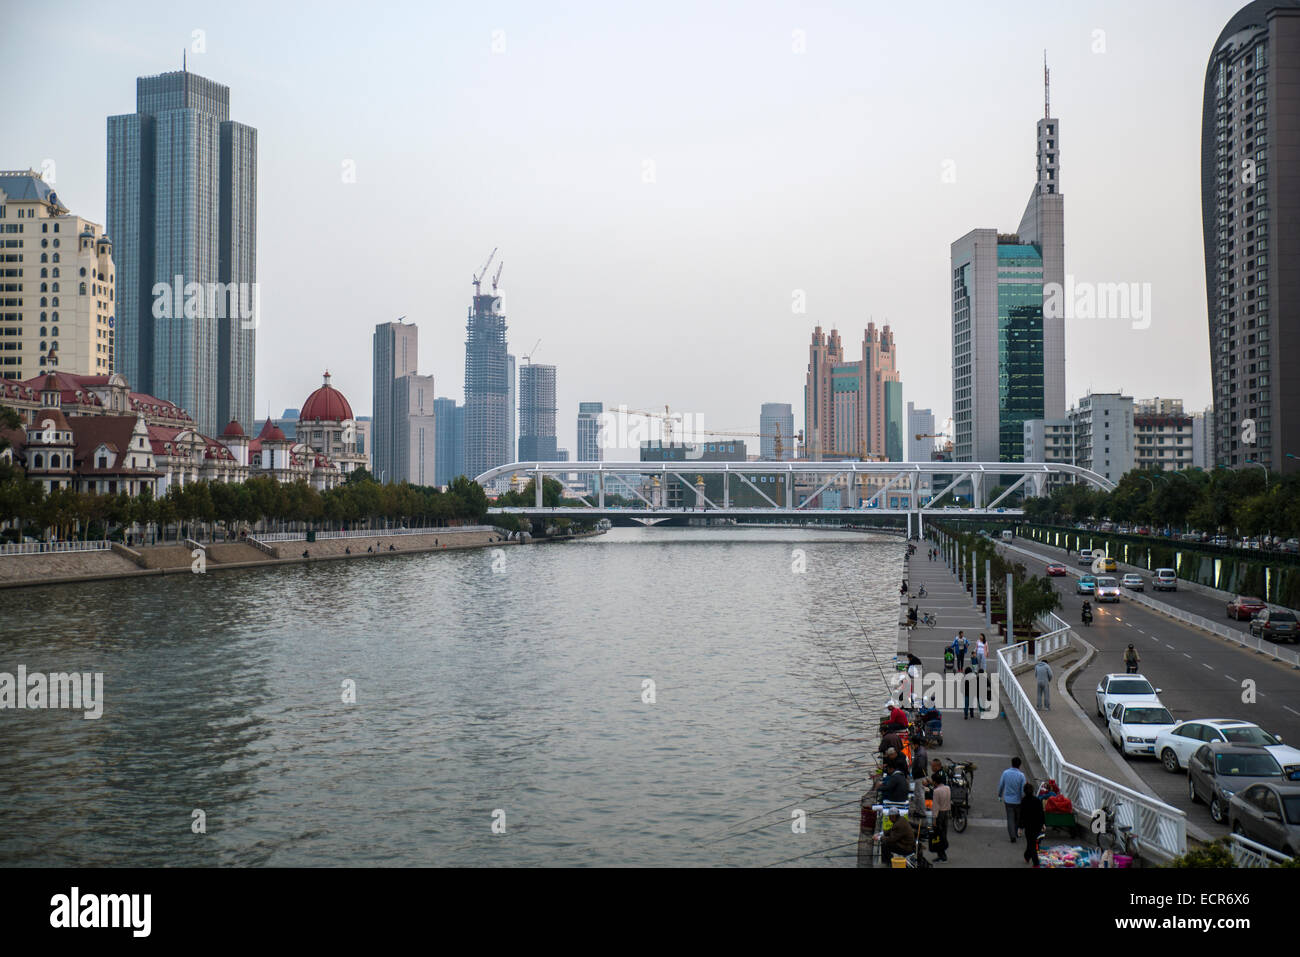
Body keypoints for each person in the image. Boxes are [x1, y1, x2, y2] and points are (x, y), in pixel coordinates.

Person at [997, 757, 1027, 843]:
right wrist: (1022, 798)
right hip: (1018, 801)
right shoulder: (1021, 775)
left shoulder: (1005, 773)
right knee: (1017, 818)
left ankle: (1012, 835)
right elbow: (1023, 789)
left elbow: (1001, 785)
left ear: (1012, 763)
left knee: (1010, 818)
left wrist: (999, 795)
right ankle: (1016, 832)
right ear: (1019, 765)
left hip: (1008, 800)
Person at [1019, 780, 1045, 866]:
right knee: (1032, 843)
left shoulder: (1023, 801)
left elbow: (1021, 815)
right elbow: (1041, 813)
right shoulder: (1037, 800)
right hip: (1037, 825)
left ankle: (1034, 862)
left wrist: (1020, 827)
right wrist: (1043, 824)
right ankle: (1027, 855)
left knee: (1031, 843)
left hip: (1028, 826)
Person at [931, 777, 952, 863]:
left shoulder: (936, 791)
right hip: (946, 812)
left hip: (939, 814)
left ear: (935, 782)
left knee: (938, 835)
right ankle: (942, 854)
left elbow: (935, 806)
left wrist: (934, 819)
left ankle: (941, 855)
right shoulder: (947, 788)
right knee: (943, 833)